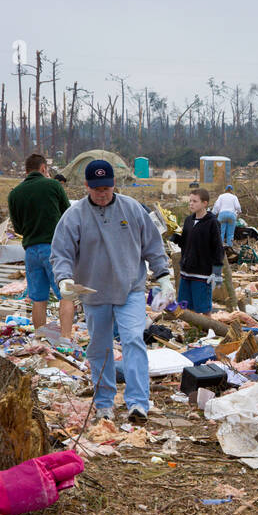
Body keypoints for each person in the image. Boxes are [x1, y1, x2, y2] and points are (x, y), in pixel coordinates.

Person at [51, 158, 174, 423]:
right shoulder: (74, 215)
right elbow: (61, 252)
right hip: (94, 293)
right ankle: (105, 403)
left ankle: (138, 403)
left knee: (133, 341)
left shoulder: (132, 210)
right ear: (86, 186)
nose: (102, 193)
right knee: (99, 347)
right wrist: (63, 279)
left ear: (114, 184)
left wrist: (163, 277)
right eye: (97, 189)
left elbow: (153, 245)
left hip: (130, 289)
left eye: (106, 188)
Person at [7, 152, 74, 338]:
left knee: (38, 298)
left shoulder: (14, 194)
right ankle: (66, 338)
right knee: (66, 294)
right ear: (44, 168)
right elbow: (68, 215)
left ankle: (40, 339)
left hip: (30, 251)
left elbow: (18, 227)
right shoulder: (52, 185)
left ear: (26, 171)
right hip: (54, 248)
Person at [172, 186, 224, 316]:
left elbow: (218, 248)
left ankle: (208, 332)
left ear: (204, 203)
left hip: (202, 274)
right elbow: (185, 243)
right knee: (185, 307)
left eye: (195, 201)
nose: (191, 203)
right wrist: (175, 238)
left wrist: (217, 271)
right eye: (190, 201)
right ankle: (190, 333)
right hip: (186, 272)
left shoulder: (212, 223)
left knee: (204, 308)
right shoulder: (189, 220)